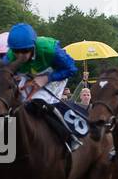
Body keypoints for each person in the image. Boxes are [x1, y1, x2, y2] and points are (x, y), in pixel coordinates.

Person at [5, 22, 81, 150]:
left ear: (33, 46)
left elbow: (72, 69)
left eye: (25, 51)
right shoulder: (10, 56)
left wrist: (47, 78)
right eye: (16, 51)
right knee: (17, 103)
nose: (20, 56)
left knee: (37, 102)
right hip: (31, 76)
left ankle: (69, 137)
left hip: (55, 76)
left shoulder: (51, 50)